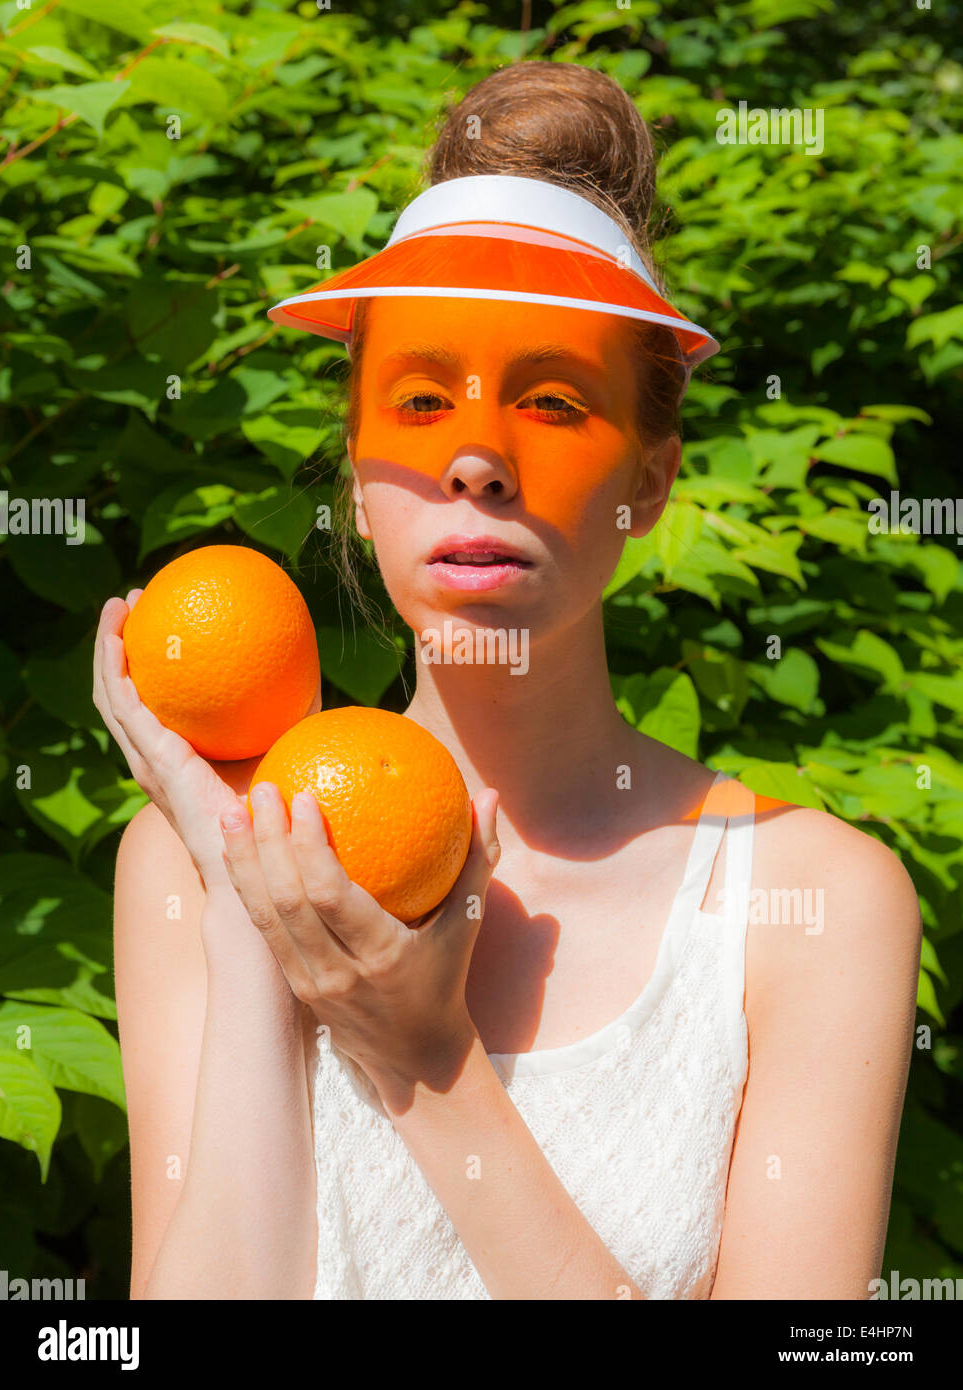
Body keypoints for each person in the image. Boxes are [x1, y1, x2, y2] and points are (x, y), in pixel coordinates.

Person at [95, 63, 922, 1301]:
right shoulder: (188, 860)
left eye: (550, 400)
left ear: (650, 478)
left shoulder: (813, 905)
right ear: (361, 479)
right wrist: (243, 900)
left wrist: (430, 1067)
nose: (477, 457)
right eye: (421, 400)